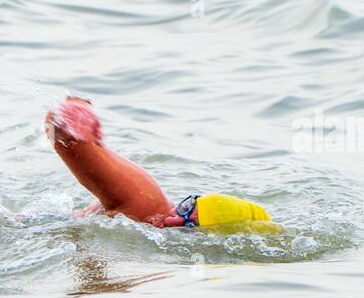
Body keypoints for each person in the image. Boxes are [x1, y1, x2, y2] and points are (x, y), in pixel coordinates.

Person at [44, 97, 279, 231]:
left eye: (188, 223)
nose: (175, 217)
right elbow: (63, 128)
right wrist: (75, 120)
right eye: (187, 204)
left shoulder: (151, 230)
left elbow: (61, 129)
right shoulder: (147, 203)